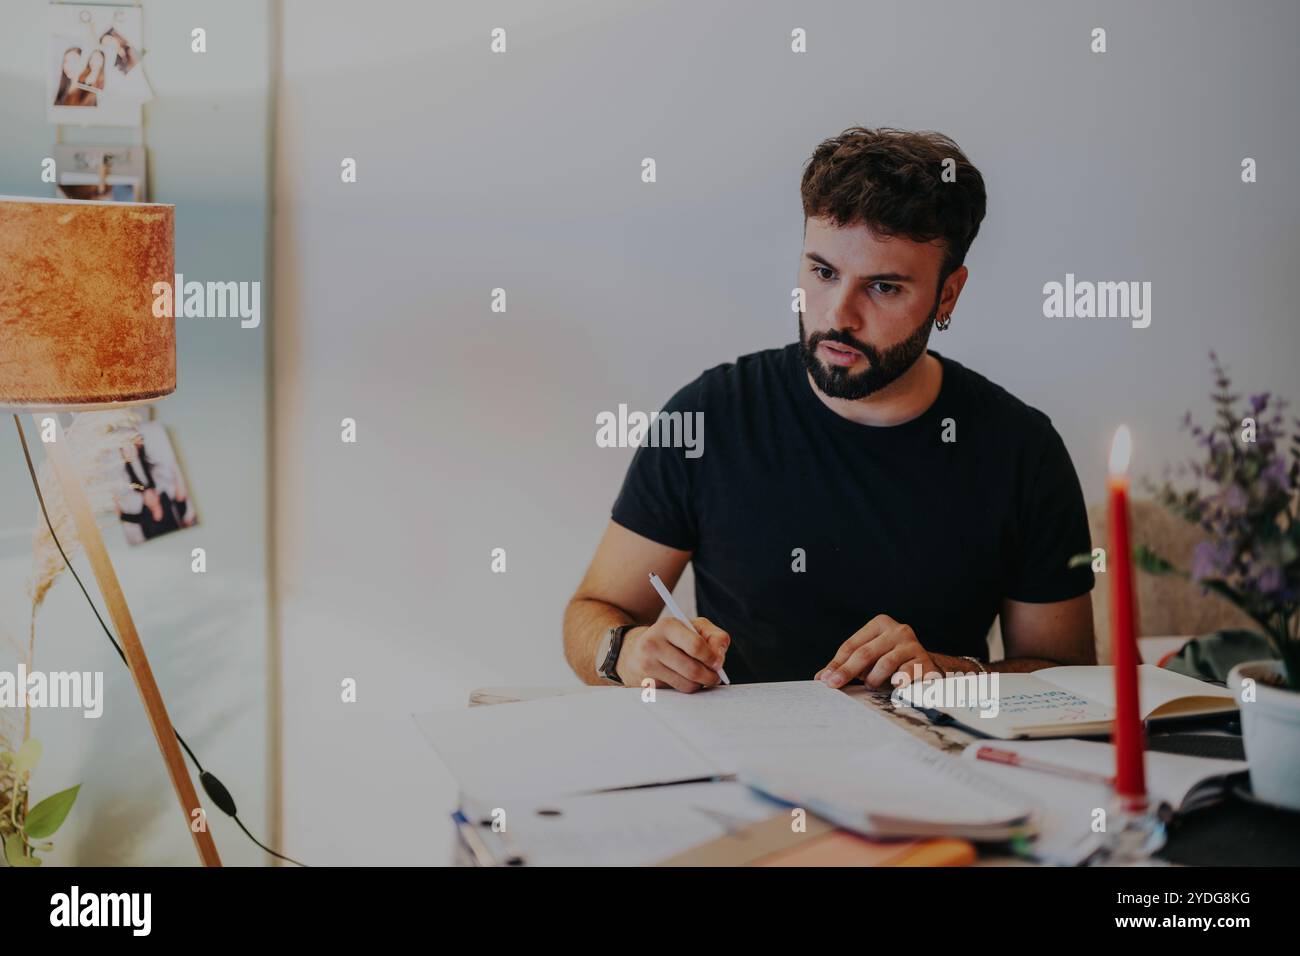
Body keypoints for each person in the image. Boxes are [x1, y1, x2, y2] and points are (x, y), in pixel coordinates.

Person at [564, 127, 1097, 693]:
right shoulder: (708, 417)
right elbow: (594, 609)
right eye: (823, 273)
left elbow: (1070, 677)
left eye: (884, 288)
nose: (839, 315)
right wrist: (625, 651)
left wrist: (950, 671)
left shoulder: (1021, 449)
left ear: (948, 294)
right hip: (733, 769)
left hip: (934, 767)